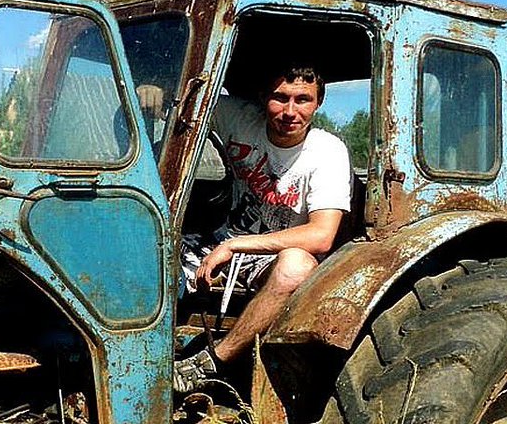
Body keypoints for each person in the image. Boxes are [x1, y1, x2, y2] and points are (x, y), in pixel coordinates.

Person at [140, 66, 352, 393]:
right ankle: (147, 356)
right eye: (280, 98)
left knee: (297, 266)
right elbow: (187, 103)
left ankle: (213, 362)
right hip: (220, 236)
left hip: (268, 252)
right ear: (262, 98)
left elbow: (321, 235)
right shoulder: (238, 117)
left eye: (303, 100)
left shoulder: (327, 152)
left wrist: (237, 246)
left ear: (318, 102)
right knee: (148, 250)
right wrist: (158, 91)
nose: (290, 112)